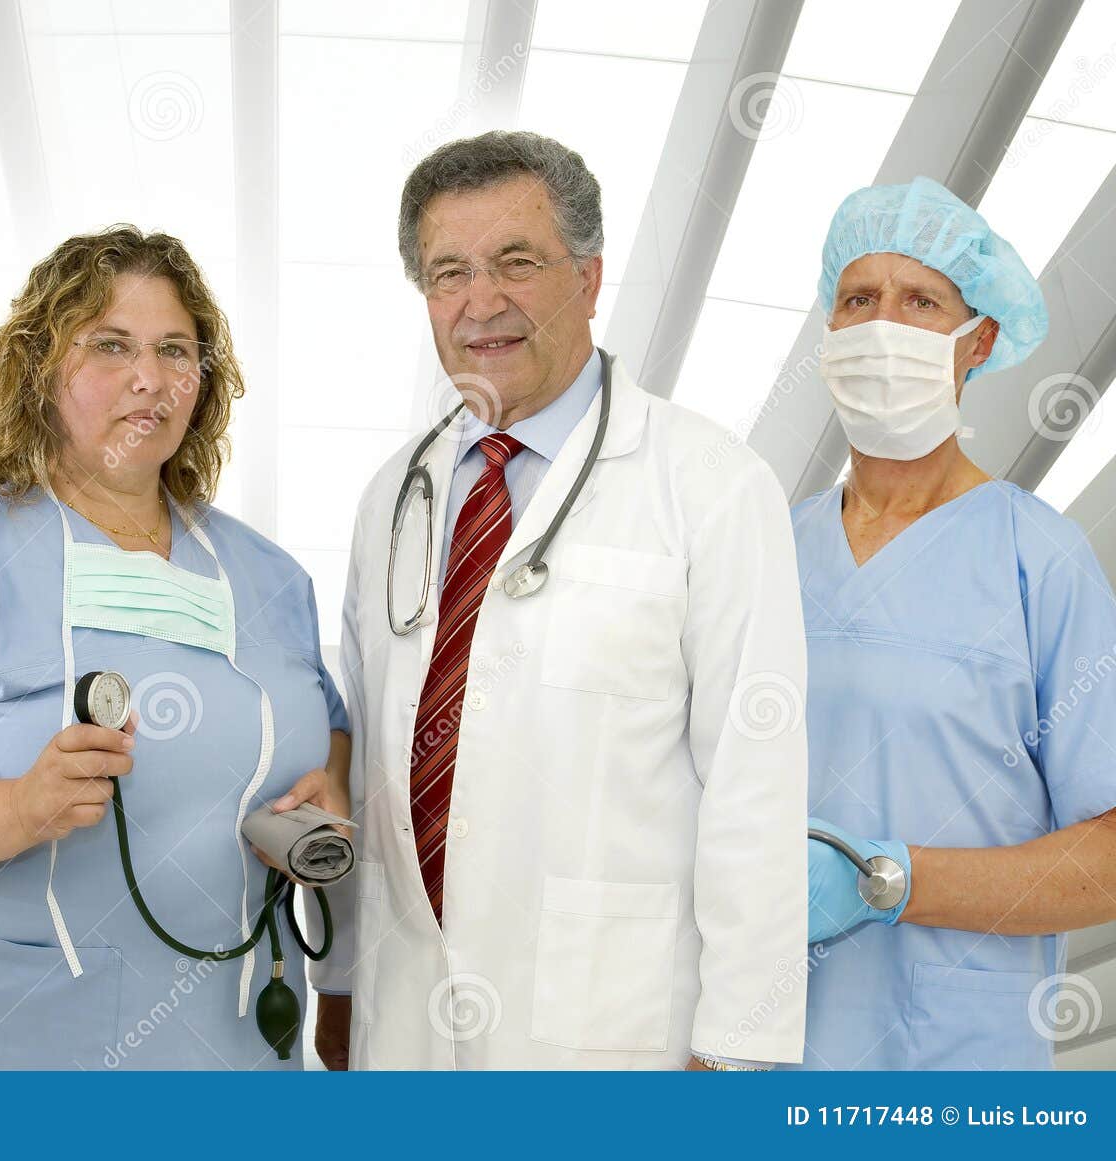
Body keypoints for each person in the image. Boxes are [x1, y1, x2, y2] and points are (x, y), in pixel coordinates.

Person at [314, 131, 808, 1070]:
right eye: (448, 272)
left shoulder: (709, 483)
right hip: (405, 1024)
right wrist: (339, 989)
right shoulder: (395, 494)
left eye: (517, 263)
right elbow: (372, 780)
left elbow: (758, 789)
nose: (481, 303)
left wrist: (738, 1053)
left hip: (612, 1037)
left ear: (588, 276)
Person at [0, 225, 352, 1070]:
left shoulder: (271, 574)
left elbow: (329, 723)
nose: (150, 377)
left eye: (177, 349)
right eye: (111, 345)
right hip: (28, 1051)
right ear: (40, 371)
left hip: (243, 1049)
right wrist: (20, 808)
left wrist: (329, 787)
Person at [790, 176, 1116, 1070]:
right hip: (763, 1052)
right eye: (859, 298)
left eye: (920, 301)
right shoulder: (768, 552)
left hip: (954, 1060)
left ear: (977, 343)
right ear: (830, 335)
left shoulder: (1036, 562)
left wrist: (890, 879)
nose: (882, 325)